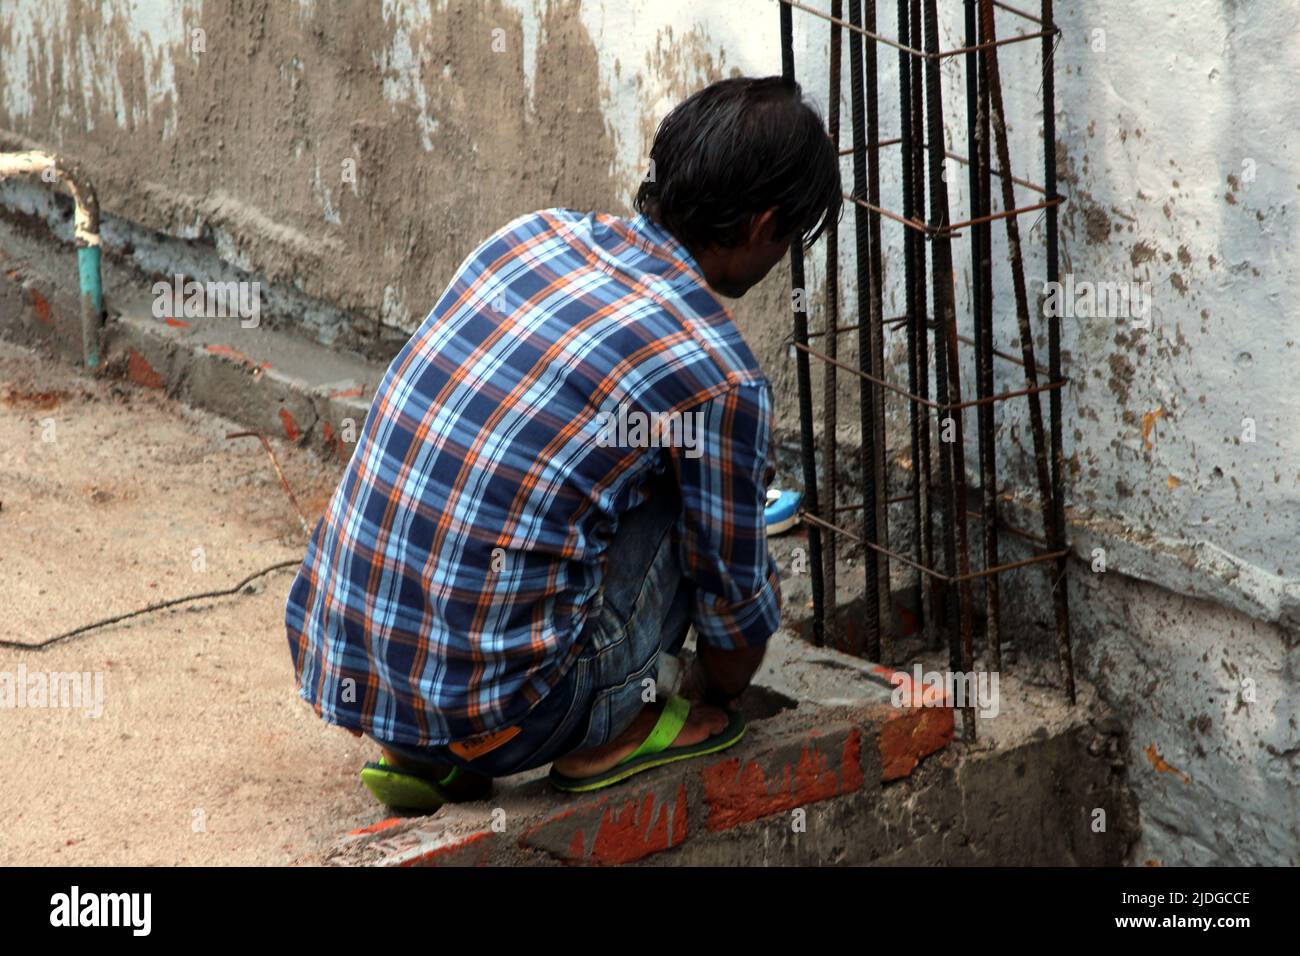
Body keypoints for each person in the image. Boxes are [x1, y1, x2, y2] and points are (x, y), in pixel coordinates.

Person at [284, 74, 841, 810]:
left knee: (576, 474)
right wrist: (710, 688)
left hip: (346, 667)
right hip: (525, 716)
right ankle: (615, 730)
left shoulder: (530, 235)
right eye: (787, 239)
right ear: (762, 225)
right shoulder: (717, 376)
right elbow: (733, 622)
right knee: (702, 500)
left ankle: (426, 750)